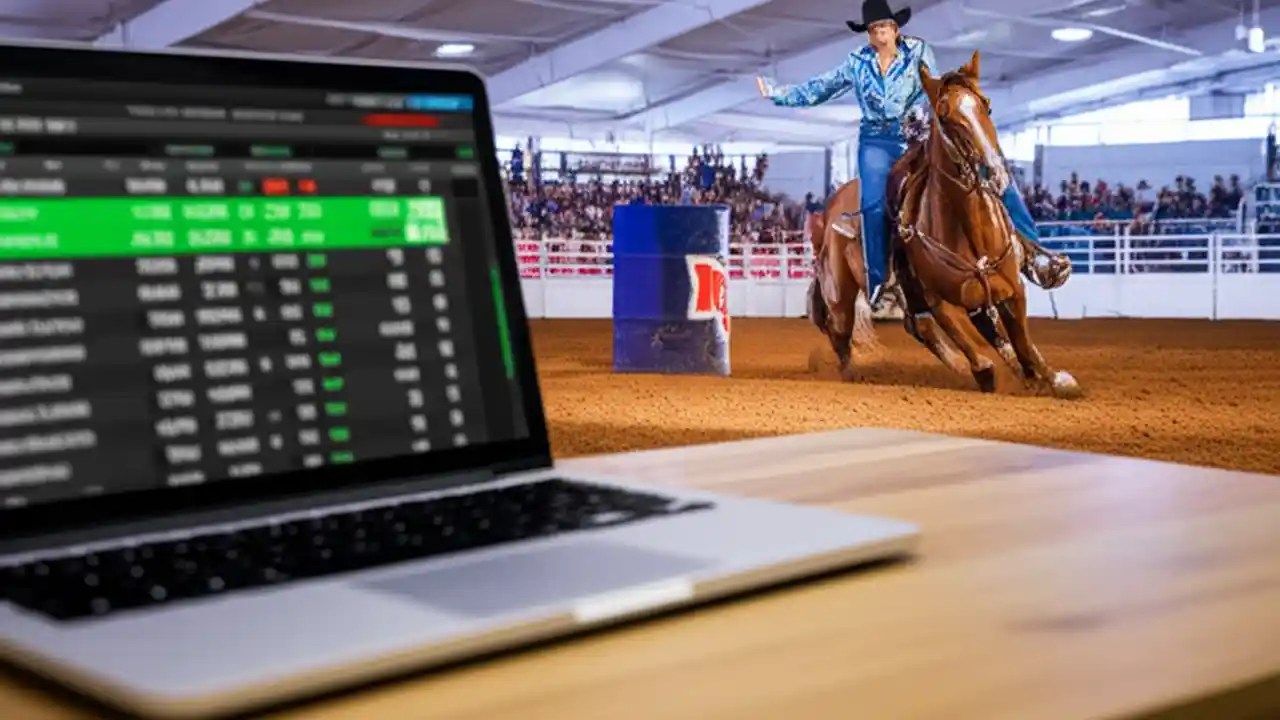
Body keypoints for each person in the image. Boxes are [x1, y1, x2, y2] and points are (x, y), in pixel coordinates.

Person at [755, 0, 1068, 306]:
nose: (880, 34)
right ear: (868, 33)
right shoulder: (857, 62)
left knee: (992, 173)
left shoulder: (918, 52)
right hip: (876, 140)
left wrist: (936, 118)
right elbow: (820, 88)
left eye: (885, 27)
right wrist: (778, 93)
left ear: (895, 29)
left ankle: (1035, 254)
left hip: (917, 132)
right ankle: (880, 278)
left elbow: (933, 88)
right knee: (874, 204)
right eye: (874, 29)